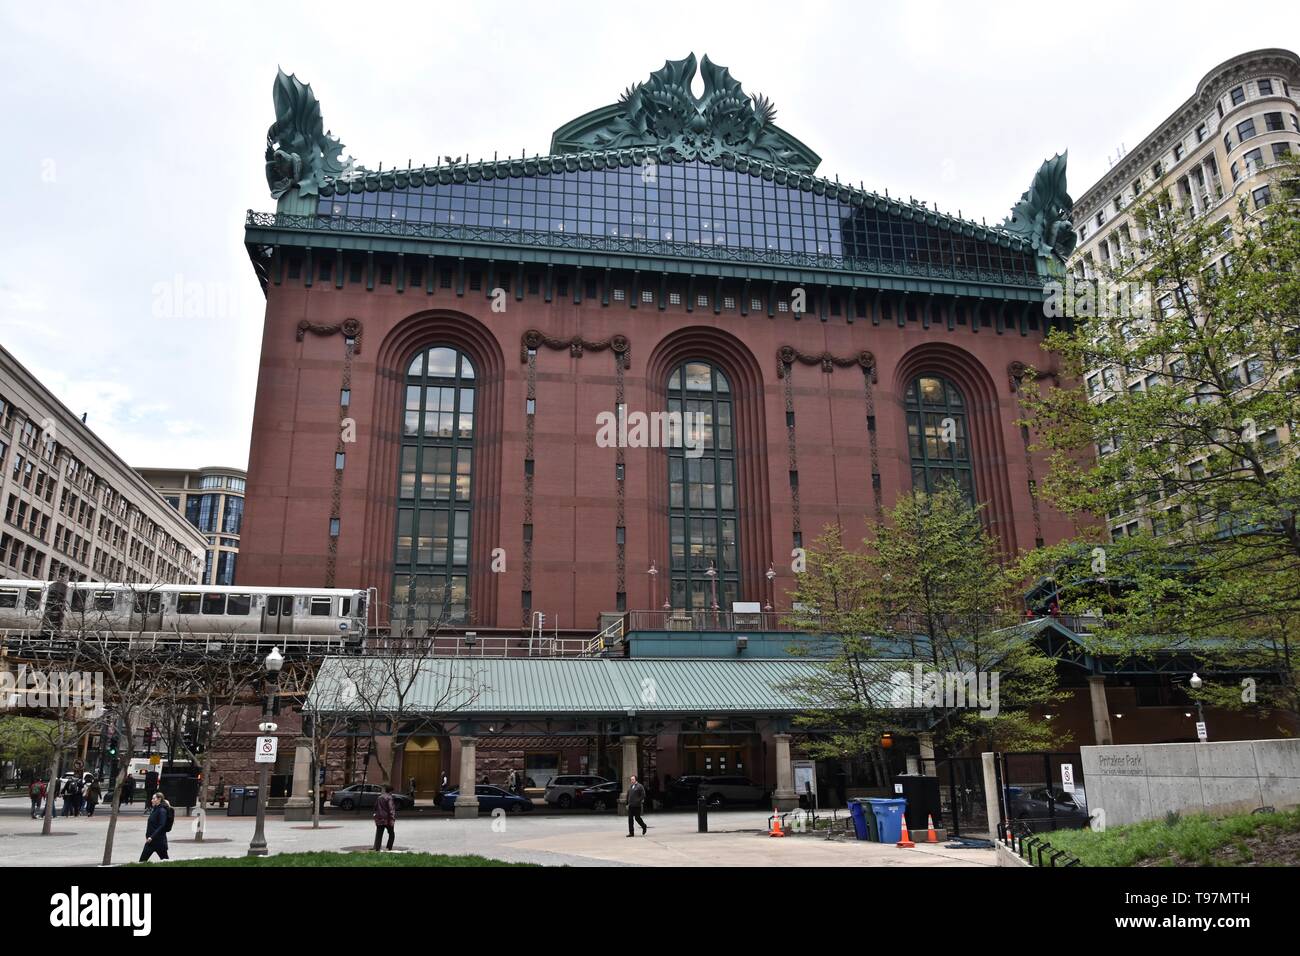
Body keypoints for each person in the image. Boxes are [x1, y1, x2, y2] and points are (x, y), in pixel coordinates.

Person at [139, 792, 172, 862]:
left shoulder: (162, 811)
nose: (152, 800)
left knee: (166, 862)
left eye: (154, 798)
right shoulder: (155, 809)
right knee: (142, 861)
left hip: (159, 842)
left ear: (159, 799)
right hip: (150, 842)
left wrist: (151, 837)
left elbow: (162, 825)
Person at [373, 784, 398, 852]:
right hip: (387, 819)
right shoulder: (389, 798)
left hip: (379, 819)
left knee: (379, 834)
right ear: (390, 791)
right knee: (391, 834)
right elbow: (391, 809)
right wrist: (392, 819)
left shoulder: (379, 797)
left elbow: (375, 807)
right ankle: (389, 847)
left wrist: (375, 816)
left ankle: (377, 849)